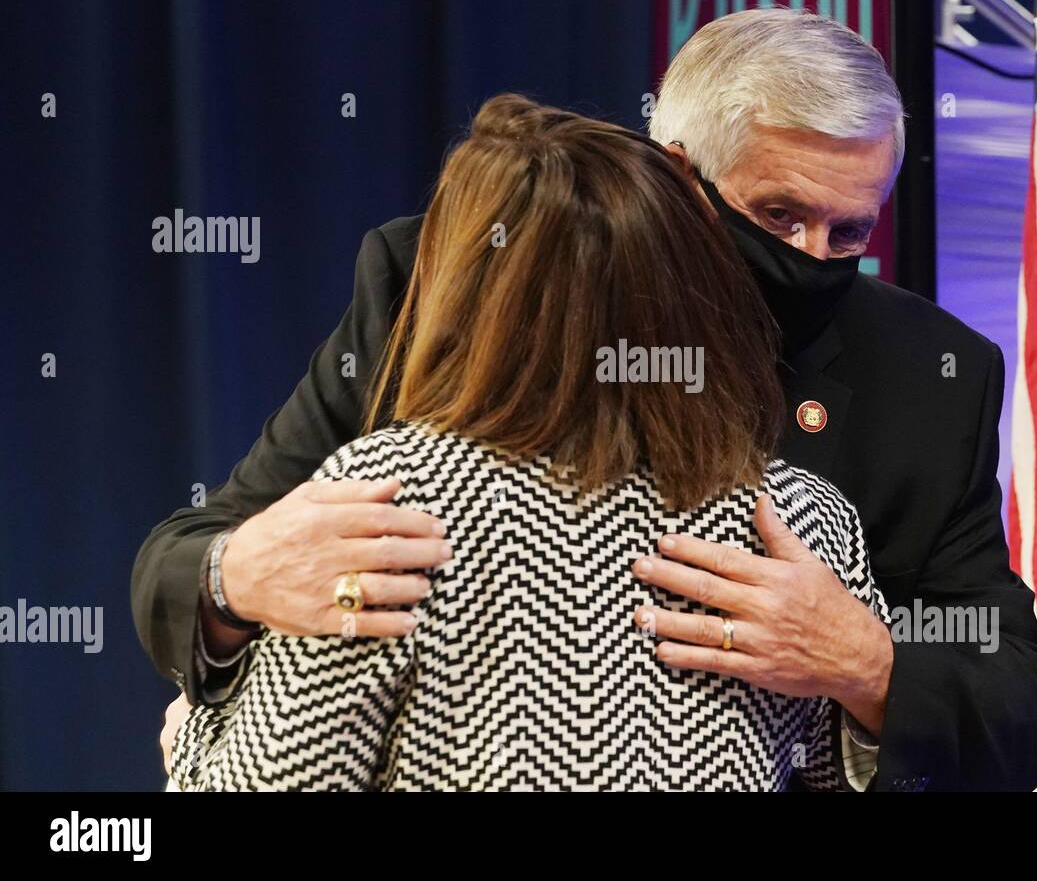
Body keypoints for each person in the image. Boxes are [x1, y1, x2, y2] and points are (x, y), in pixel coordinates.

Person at [136, 8, 1037, 792]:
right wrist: (235, 578)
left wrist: (869, 668)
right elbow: (194, 556)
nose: (815, 258)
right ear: (675, 176)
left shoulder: (929, 379)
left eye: (851, 230)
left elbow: (1014, 707)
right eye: (779, 217)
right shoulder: (444, 281)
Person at [165, 93, 887, 791]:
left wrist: (194, 731)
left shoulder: (390, 498)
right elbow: (853, 770)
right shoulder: (804, 516)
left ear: (470, 285)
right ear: (695, 280)